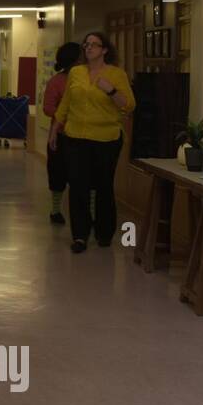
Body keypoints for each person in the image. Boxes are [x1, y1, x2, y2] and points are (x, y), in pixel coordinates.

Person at [48, 31, 135, 253]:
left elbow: (128, 105)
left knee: (103, 186)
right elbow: (66, 104)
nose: (88, 48)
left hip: (106, 139)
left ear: (104, 50)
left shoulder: (116, 75)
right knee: (78, 186)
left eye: (94, 45)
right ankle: (80, 236)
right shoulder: (76, 73)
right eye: (86, 45)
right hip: (75, 137)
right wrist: (55, 130)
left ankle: (104, 233)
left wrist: (111, 90)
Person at [42, 42, 82, 224]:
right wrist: (68, 116)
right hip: (61, 134)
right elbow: (48, 108)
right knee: (58, 174)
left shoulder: (88, 78)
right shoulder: (57, 82)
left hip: (85, 135)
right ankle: (55, 210)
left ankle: (88, 213)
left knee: (85, 178)